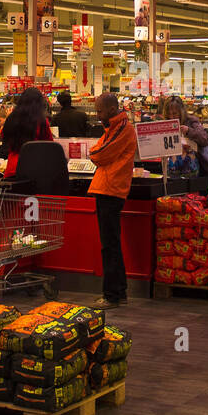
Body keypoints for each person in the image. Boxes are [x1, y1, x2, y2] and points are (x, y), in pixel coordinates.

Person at [87, 93, 137, 310]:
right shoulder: (113, 128)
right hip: (107, 188)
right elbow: (98, 150)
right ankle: (119, 291)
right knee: (111, 245)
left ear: (111, 109)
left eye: (99, 111)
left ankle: (112, 295)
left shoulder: (123, 129)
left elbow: (99, 153)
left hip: (111, 190)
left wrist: (94, 153)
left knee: (110, 246)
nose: (98, 115)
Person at [0, 87, 54, 178]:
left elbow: (4, 137)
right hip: (34, 169)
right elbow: (50, 146)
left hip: (12, 169)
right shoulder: (41, 121)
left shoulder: (11, 118)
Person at [158, 95, 208, 176]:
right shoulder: (165, 124)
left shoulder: (191, 121)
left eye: (174, 113)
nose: (171, 117)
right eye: (169, 114)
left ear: (181, 111)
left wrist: (189, 131)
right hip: (170, 171)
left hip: (191, 171)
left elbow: (205, 139)